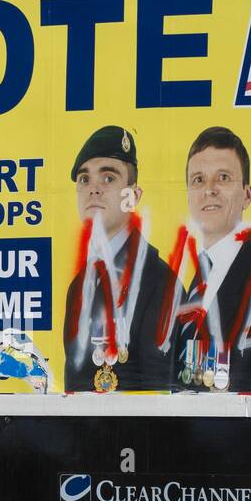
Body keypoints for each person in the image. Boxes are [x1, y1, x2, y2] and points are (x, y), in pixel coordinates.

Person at [173, 126, 251, 392]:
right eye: (198, 180)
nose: (209, 190)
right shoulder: (196, 280)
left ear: (247, 195)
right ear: (188, 195)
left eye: (223, 178)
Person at [62, 125, 178, 392]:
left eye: (108, 178)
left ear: (133, 196)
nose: (93, 189)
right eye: (84, 179)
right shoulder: (79, 286)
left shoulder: (160, 282)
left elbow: (159, 395)